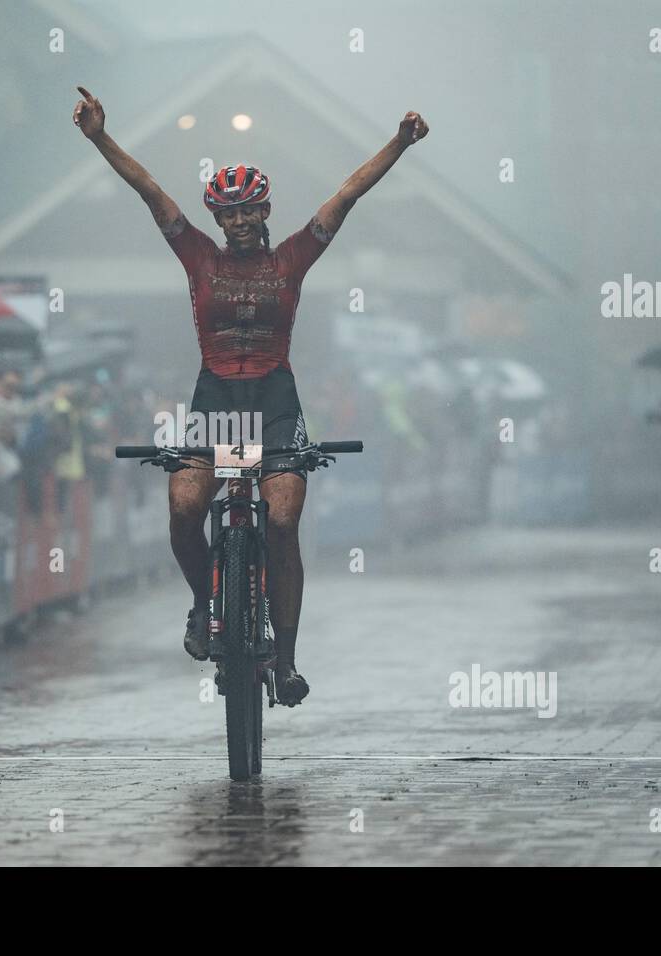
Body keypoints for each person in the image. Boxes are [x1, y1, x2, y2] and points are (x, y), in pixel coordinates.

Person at [74, 84, 429, 705]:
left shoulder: (292, 259)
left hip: (275, 401)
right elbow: (150, 191)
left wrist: (399, 143)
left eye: (248, 211)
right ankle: (203, 603)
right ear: (216, 219)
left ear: (264, 213)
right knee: (184, 509)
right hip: (215, 402)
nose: (237, 222)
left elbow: (347, 194)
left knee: (285, 521)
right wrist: (100, 137)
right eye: (227, 213)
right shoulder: (199, 260)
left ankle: (287, 663)